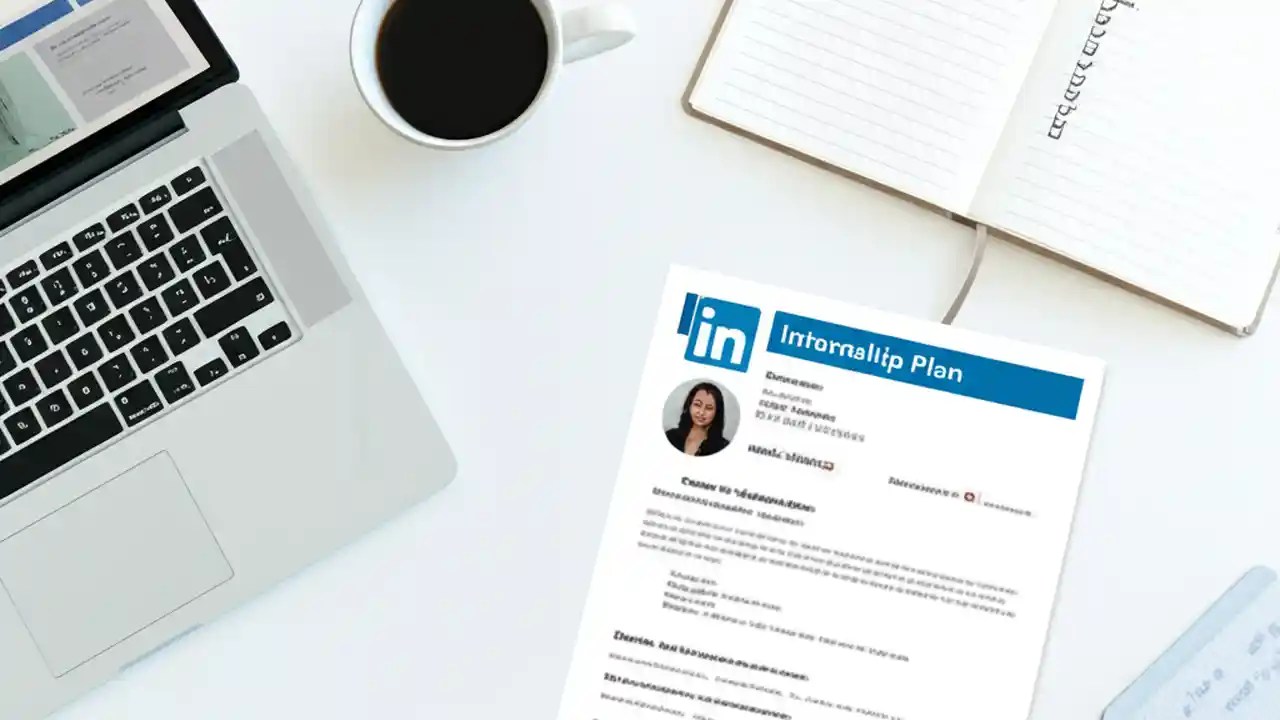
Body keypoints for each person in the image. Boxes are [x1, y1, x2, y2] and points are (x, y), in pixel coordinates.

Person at [666, 382, 731, 457]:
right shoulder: (671, 436)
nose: (701, 412)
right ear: (689, 405)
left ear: (717, 412)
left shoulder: (723, 447)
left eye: (709, 408)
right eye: (697, 405)